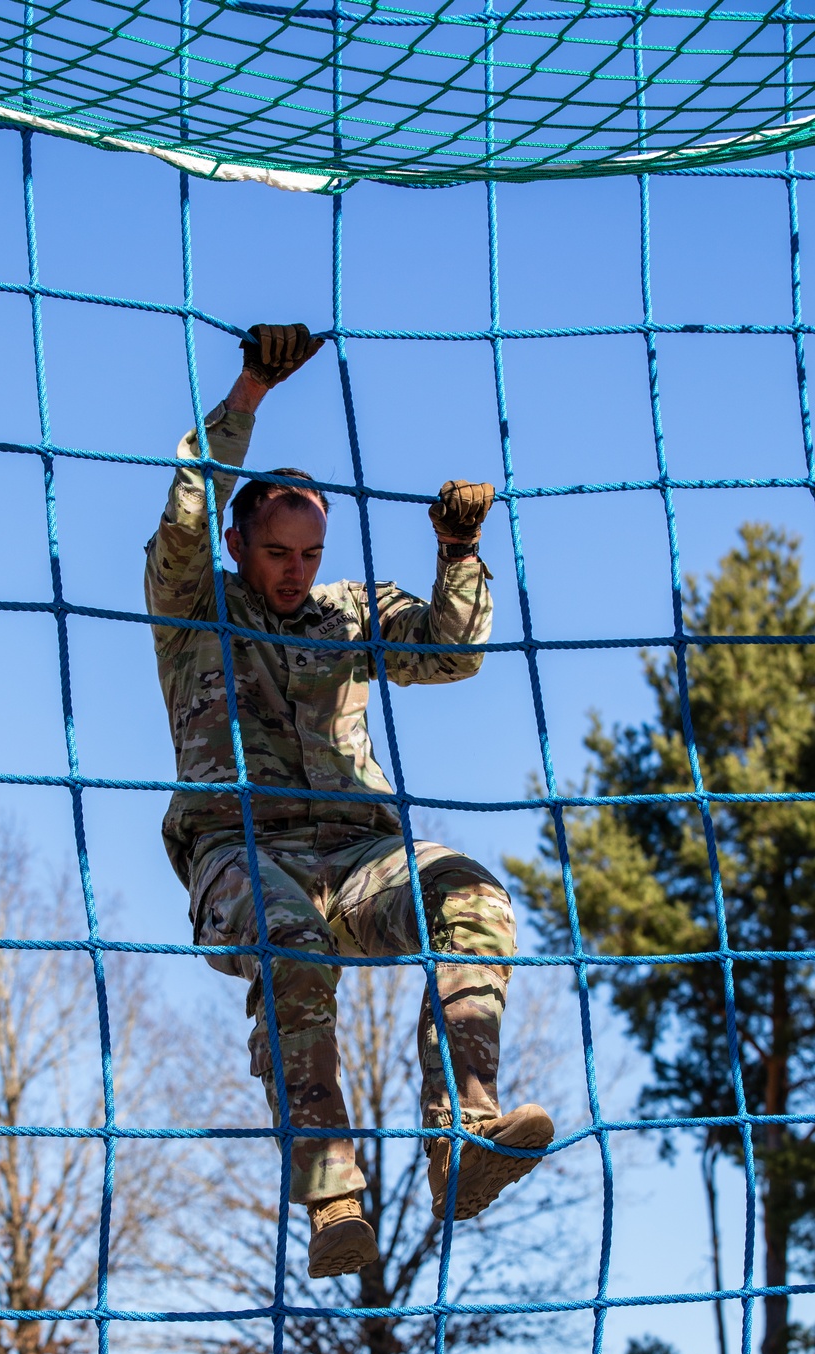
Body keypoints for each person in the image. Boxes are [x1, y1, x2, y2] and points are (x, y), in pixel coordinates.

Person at [145, 323, 553, 1280]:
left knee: (474, 898)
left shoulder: (348, 614)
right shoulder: (194, 605)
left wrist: (459, 549)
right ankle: (333, 1198)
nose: (295, 569)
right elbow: (186, 512)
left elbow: (451, 652)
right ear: (239, 543)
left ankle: (464, 1135)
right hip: (245, 855)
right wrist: (249, 393)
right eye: (276, 550)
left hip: (362, 860)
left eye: (310, 551)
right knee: (290, 944)